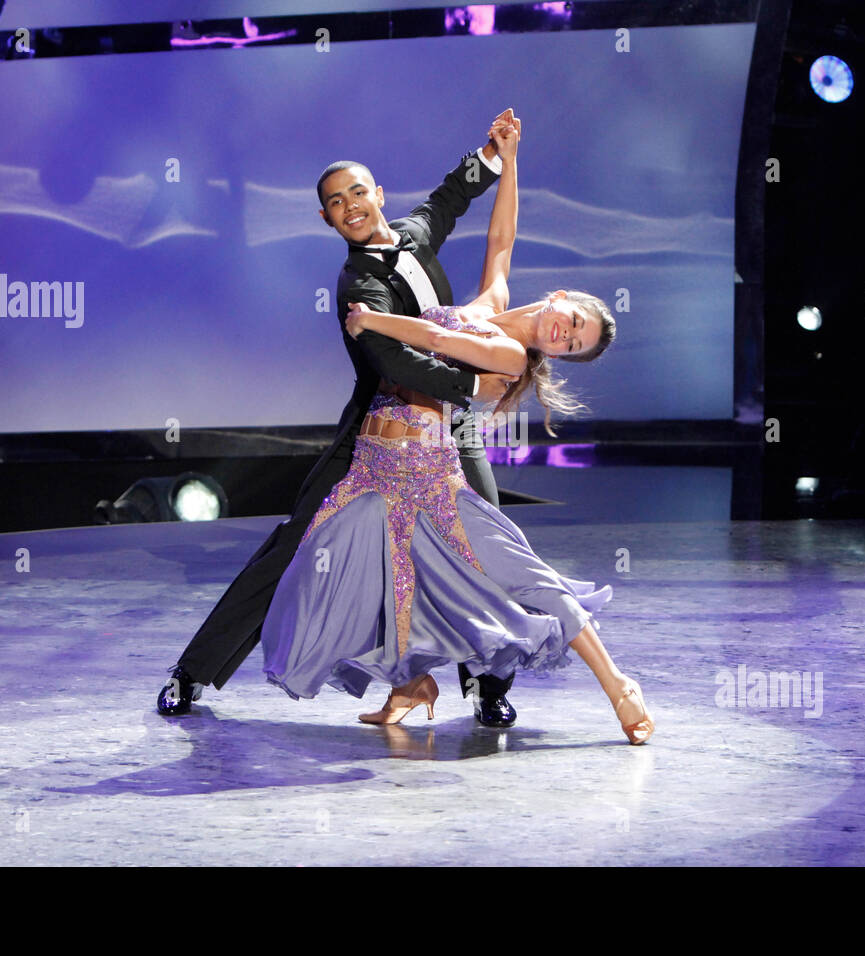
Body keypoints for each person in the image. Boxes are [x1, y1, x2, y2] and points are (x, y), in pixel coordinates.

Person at [260, 117, 653, 744]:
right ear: (560, 298)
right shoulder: (492, 302)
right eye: (572, 321)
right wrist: (511, 158)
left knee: (522, 576)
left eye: (574, 346)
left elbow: (441, 339)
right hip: (376, 461)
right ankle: (413, 682)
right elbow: (502, 236)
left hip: (430, 472)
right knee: (365, 571)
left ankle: (618, 683)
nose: (565, 336)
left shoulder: (511, 356)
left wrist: (377, 323)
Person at [158, 110, 524, 726]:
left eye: (357, 191)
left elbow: (450, 196)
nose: (350, 205)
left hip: (449, 429)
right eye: (335, 202)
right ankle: (191, 673)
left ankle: (489, 687)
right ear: (326, 218)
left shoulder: (413, 233)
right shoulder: (357, 284)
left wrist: (493, 153)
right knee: (295, 545)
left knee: (484, 544)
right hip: (375, 434)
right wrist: (473, 382)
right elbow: (396, 361)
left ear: (377, 195)